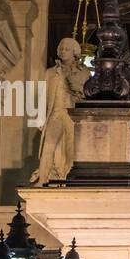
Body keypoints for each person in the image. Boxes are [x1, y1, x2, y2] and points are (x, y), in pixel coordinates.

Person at [30, 38, 88, 185]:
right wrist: (40, 118)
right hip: (55, 114)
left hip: (73, 116)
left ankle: (67, 179)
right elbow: (44, 96)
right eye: (61, 48)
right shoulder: (50, 73)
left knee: (71, 150)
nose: (63, 51)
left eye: (67, 49)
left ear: (74, 52)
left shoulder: (83, 72)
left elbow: (85, 95)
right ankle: (43, 180)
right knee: (48, 145)